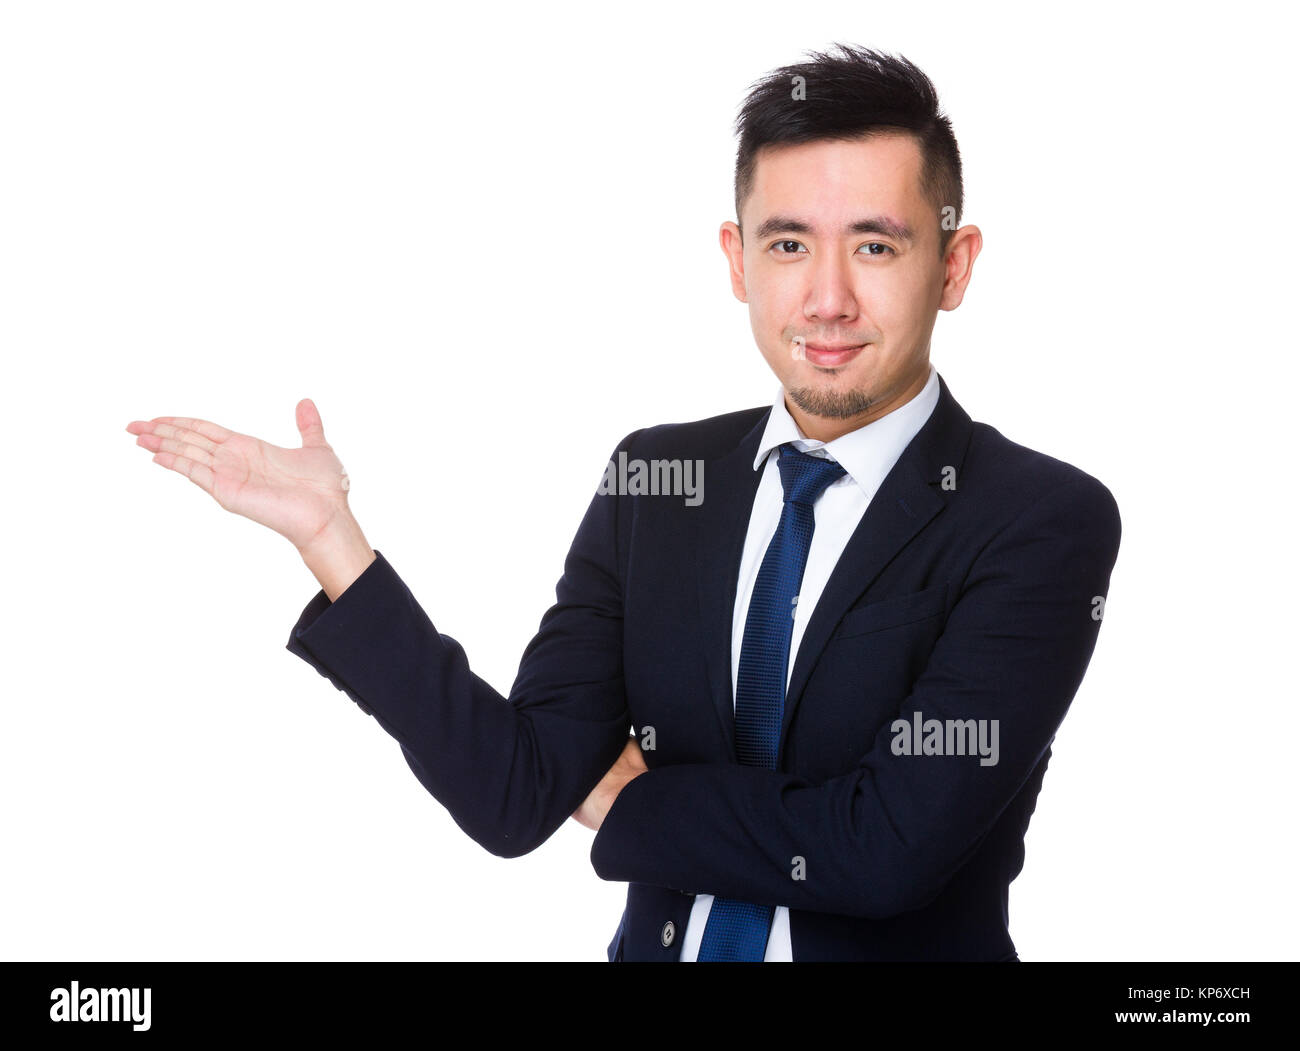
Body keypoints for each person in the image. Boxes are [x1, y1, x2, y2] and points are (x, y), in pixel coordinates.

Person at [125, 44, 1121, 961]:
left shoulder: (1038, 518)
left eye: (873, 247)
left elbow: (883, 850)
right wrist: (334, 541)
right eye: (786, 246)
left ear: (952, 265)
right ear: (735, 261)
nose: (825, 299)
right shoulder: (660, 480)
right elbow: (517, 792)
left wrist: (636, 807)